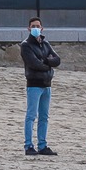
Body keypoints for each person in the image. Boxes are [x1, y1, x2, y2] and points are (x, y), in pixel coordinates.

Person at [21, 16, 60, 156]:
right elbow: (33, 63)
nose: (36, 28)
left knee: (44, 116)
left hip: (46, 84)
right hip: (34, 84)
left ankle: (42, 145)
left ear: (42, 28)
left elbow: (57, 59)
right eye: (33, 26)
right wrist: (47, 63)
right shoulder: (26, 45)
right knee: (31, 115)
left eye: (38, 26)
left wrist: (45, 62)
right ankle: (28, 145)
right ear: (29, 28)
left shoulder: (45, 43)